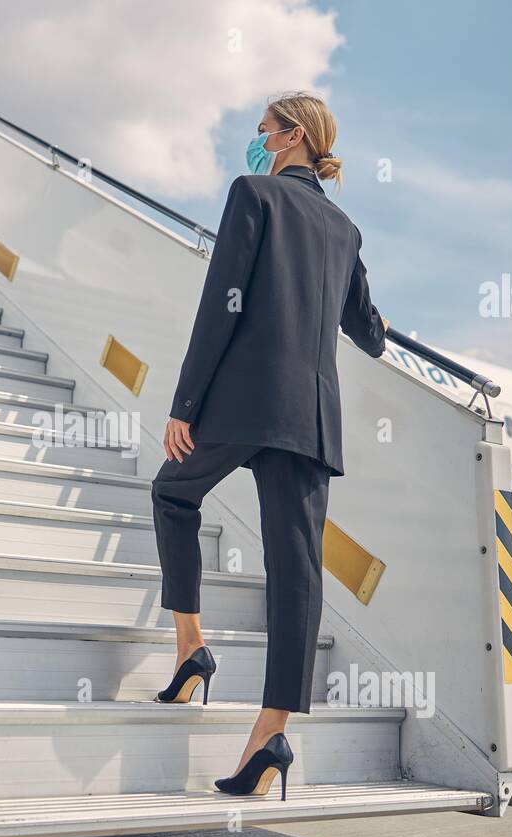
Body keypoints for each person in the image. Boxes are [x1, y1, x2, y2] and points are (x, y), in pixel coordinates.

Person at [151, 91, 389, 800]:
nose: (255, 143)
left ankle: (191, 647)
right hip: (311, 417)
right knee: (296, 572)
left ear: (290, 138)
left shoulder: (253, 194)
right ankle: (270, 733)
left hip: (241, 403)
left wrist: (184, 403)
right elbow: (370, 334)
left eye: (262, 132)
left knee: (171, 493)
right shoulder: (344, 229)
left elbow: (221, 302)